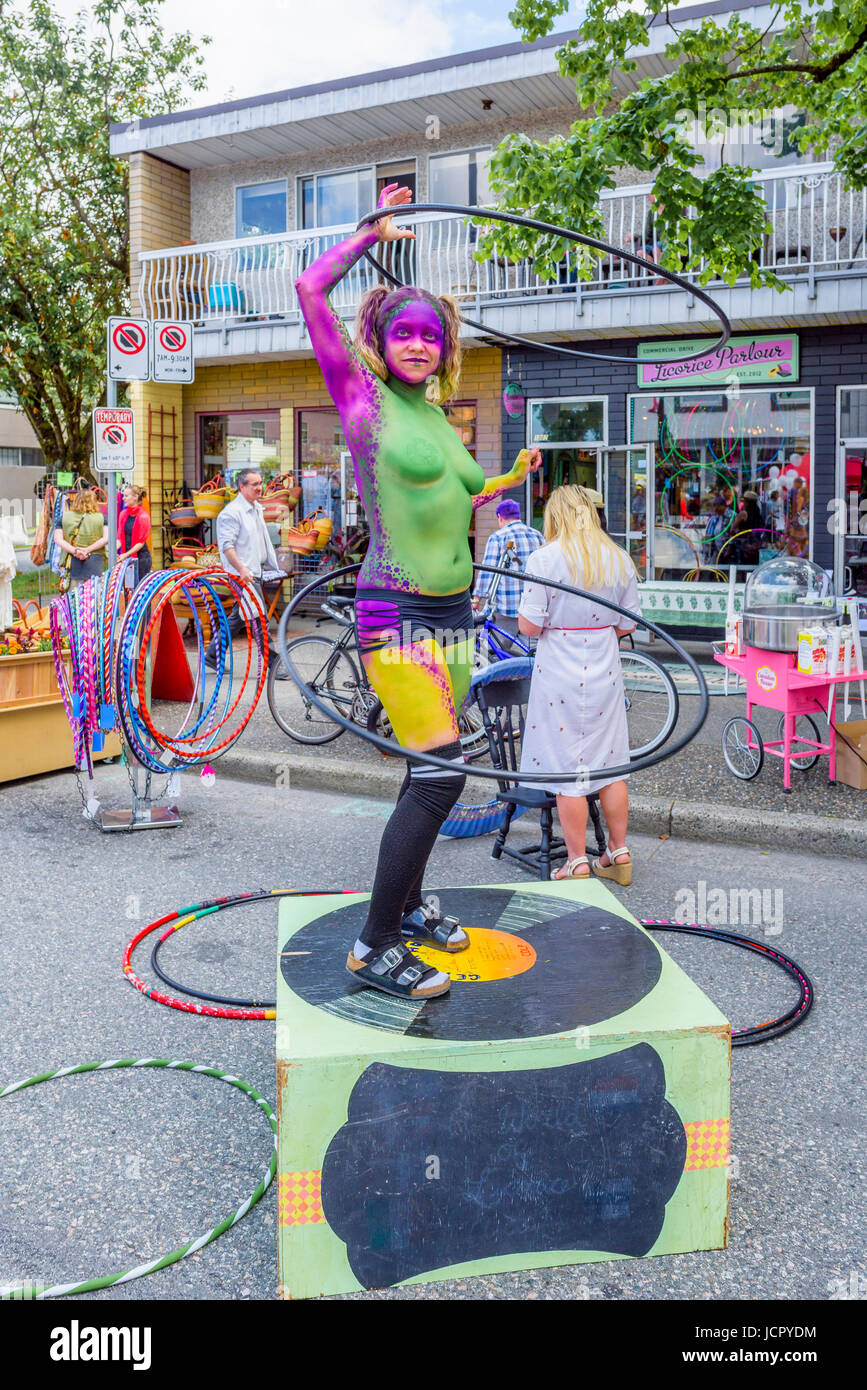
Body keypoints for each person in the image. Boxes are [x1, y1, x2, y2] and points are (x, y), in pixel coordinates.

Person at [295, 181, 541, 1001]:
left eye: (429, 336)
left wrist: (506, 478)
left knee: (425, 774)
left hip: (455, 613)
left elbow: (456, 495)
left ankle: (402, 910)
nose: (416, 344)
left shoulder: (437, 417)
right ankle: (371, 946)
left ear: (444, 348)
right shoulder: (362, 403)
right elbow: (308, 290)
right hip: (393, 608)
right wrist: (370, 233)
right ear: (378, 339)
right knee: (442, 773)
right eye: (401, 333)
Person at [517, 485, 639, 885]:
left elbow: (530, 626)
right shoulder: (618, 558)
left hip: (559, 671)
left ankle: (576, 860)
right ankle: (617, 851)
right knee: (610, 762)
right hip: (603, 668)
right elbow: (628, 624)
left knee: (568, 769)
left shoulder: (544, 559)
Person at [203, 468, 287, 678]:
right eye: (254, 484)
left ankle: (212, 655)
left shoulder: (256, 508)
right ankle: (274, 663)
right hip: (241, 575)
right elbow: (227, 546)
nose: (260, 487)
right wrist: (241, 569)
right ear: (242, 487)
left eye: (260, 483)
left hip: (254, 572)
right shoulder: (231, 513)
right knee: (259, 619)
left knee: (238, 618)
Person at [472, 498, 543, 643]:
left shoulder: (498, 537)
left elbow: (488, 571)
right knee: (530, 654)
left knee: (493, 652)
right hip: (532, 609)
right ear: (518, 516)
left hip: (507, 609)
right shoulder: (538, 536)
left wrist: (477, 599)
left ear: (500, 517)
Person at [54, 488, 108, 591]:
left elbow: (58, 539)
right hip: (94, 562)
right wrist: (87, 550)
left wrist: (75, 551)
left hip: (72, 562)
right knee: (93, 598)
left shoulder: (64, 517)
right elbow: (106, 538)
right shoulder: (101, 518)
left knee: (73, 597)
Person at [116, 484, 152, 585]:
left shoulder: (143, 516)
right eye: (123, 496)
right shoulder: (123, 514)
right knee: (129, 587)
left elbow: (140, 543)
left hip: (141, 559)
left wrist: (126, 555)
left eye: (126, 496)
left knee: (139, 590)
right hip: (127, 557)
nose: (123, 498)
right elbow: (119, 537)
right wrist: (114, 551)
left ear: (135, 497)